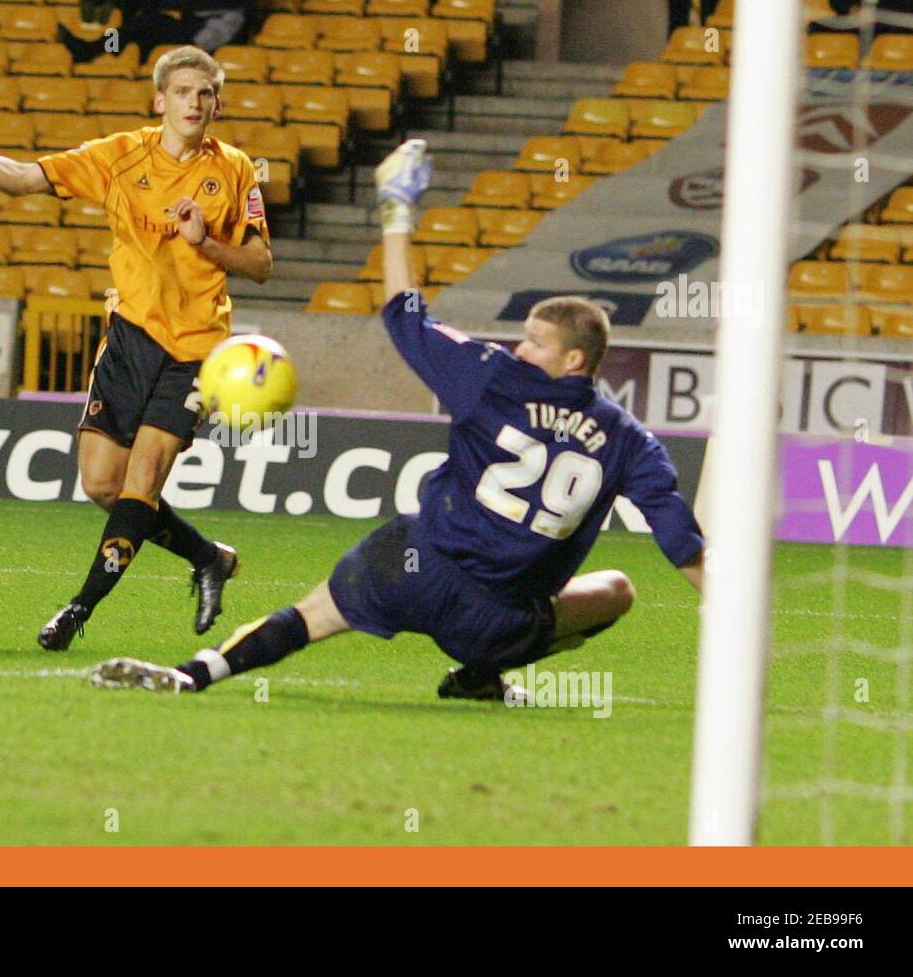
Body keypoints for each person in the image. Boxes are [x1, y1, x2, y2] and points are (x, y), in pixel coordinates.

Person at [88, 140, 706, 700]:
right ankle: (479, 679)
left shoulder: (492, 377)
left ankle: (195, 675)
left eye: (535, 343)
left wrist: (397, 213)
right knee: (617, 589)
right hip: (494, 623)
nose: (521, 350)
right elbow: (680, 543)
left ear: (573, 358)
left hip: (409, 565)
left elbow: (405, 314)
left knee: (310, 617)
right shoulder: (630, 441)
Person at [0, 45, 273, 652]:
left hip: (197, 350)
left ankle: (78, 611)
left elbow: (261, 263)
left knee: (141, 484)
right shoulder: (118, 156)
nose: (195, 102)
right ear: (160, 100)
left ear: (218, 104)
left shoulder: (237, 169)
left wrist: (207, 242)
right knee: (103, 485)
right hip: (130, 338)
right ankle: (207, 556)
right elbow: (27, 178)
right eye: (183, 91)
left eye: (206, 93)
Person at [58, 0, 260, 62]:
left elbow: (232, 19)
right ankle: (106, 43)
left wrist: (202, 43)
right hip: (189, 22)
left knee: (145, 23)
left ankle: (99, 48)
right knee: (140, 16)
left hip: (208, 33)